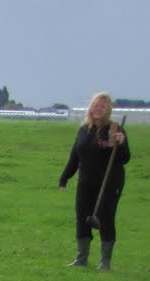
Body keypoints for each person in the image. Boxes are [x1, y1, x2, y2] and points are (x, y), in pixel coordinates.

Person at [58, 93, 130, 270]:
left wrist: (122, 143)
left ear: (108, 110)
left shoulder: (114, 129)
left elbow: (124, 158)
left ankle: (105, 261)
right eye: (96, 106)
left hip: (109, 182)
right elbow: (75, 155)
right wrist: (65, 176)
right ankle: (81, 257)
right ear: (90, 108)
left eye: (102, 107)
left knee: (105, 217)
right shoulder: (84, 130)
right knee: (82, 216)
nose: (98, 109)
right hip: (86, 181)